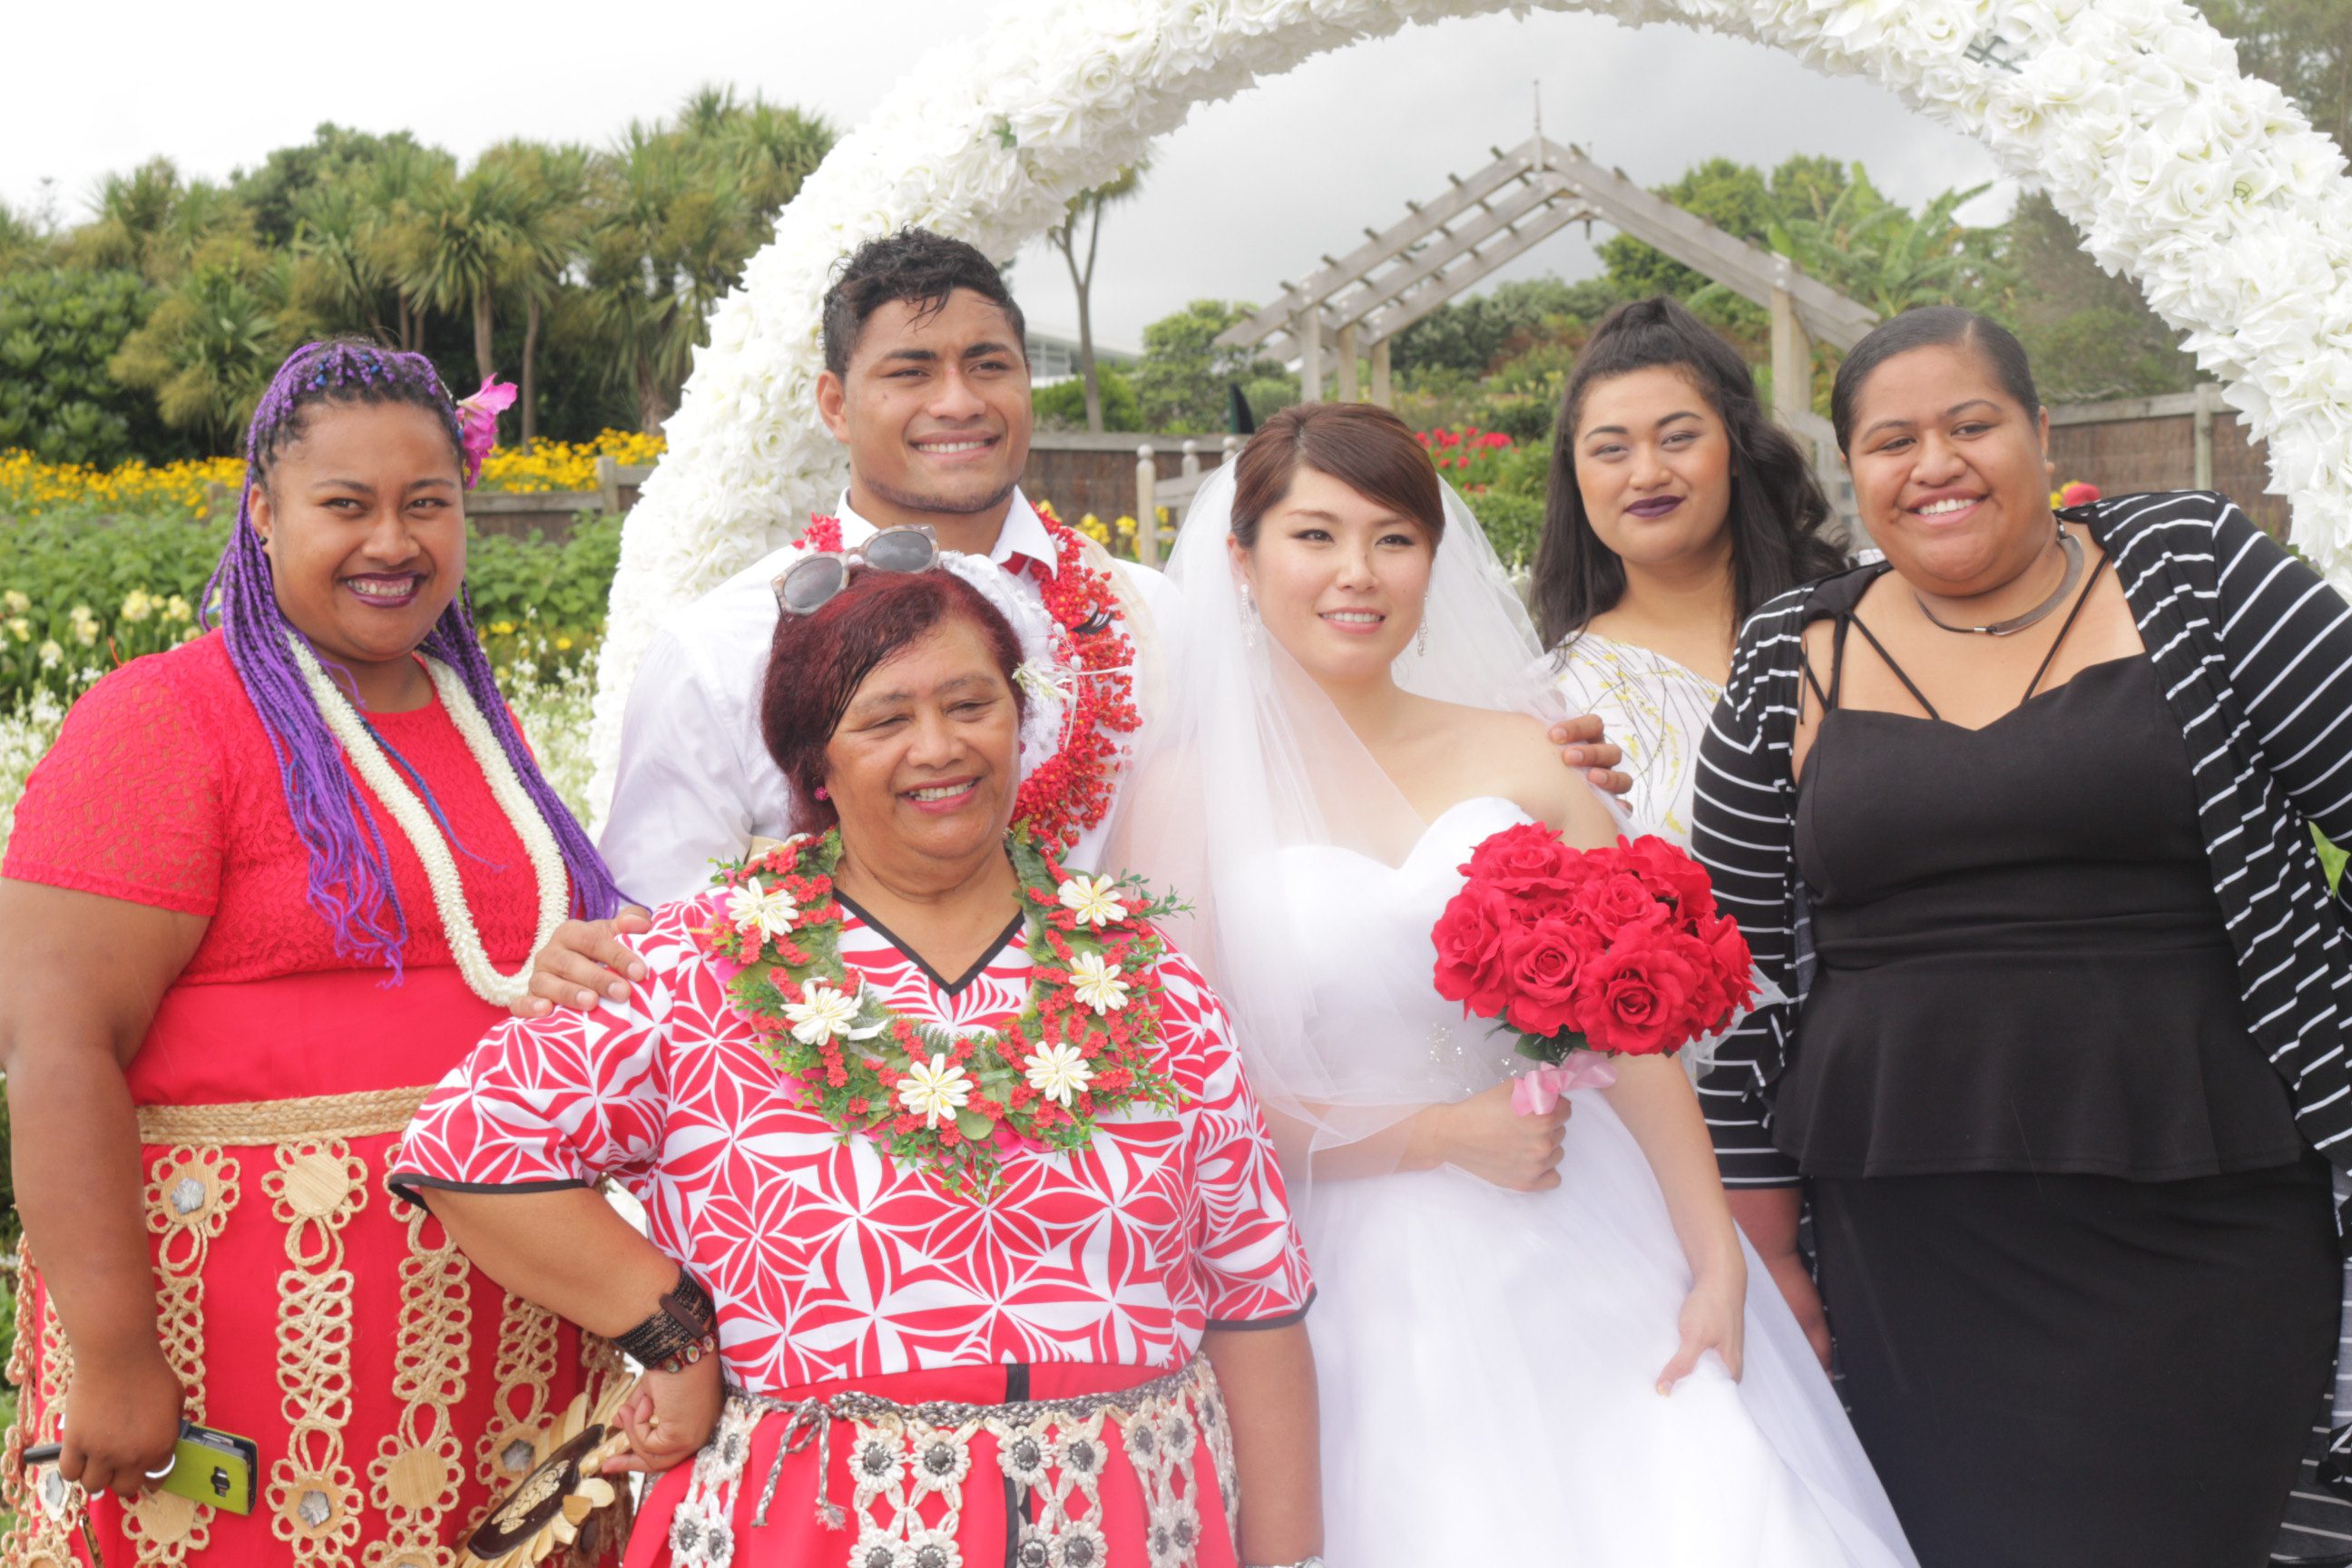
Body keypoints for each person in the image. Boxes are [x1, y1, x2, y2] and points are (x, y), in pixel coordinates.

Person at [389, 550, 1321, 1568]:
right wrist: (670, 1334)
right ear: (814, 766)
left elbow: (1254, 1303)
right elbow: (468, 1147)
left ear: (1020, 724)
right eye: (884, 721)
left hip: (1137, 1521)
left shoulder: (1151, 984)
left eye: (971, 704)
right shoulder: (697, 968)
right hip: (814, 1528)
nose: (939, 747)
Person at [1118, 402, 1916, 1567]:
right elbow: (1181, 1093)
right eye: (1315, 536)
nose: (1358, 573)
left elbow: (1630, 1023)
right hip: (1328, 1261)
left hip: (1581, 1219)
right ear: (1242, 562)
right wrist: (1437, 1136)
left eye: (1395, 539)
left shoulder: (1527, 751)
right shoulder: (1178, 798)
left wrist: (1712, 1257)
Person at [556, 228, 1628, 1009]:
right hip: (847, 1135)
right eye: (910, 372)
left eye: (989, 365)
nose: (958, 401)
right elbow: (662, 939)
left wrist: (1517, 765)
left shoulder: (1153, 613)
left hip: (1132, 1123)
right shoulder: (725, 646)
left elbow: (1302, 764)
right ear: (836, 404)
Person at [1691, 305, 2352, 1566]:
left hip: (2211, 1201)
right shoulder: (1792, 652)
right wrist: (1766, 1249)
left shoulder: (2193, 567)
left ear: (2042, 434)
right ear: (1852, 470)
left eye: (1970, 424)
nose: (1933, 464)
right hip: (1913, 1236)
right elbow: (1733, 973)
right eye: (1892, 441)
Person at [0, 340, 634, 1564]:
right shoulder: (162, 717)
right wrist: (118, 1354)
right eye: (346, 505)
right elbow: (55, 1043)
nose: (391, 542)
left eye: (427, 504)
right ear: (263, 511)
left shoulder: (473, 718)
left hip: (499, 1363)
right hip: (244, 1357)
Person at [1532, 296, 1848, 844]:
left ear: (1737, 449)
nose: (1648, 473)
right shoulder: (1556, 701)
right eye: (1611, 449)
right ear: (1574, 473)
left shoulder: (1857, 612)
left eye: (1678, 438)